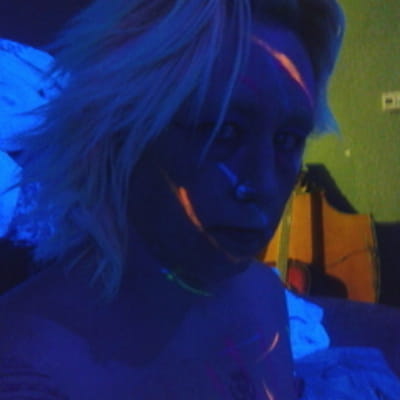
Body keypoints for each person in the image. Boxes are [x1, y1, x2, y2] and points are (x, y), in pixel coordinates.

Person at [0, 0, 345, 399]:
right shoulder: (30, 367)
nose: (265, 184)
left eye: (287, 140)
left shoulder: (262, 297)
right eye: (223, 130)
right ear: (119, 132)